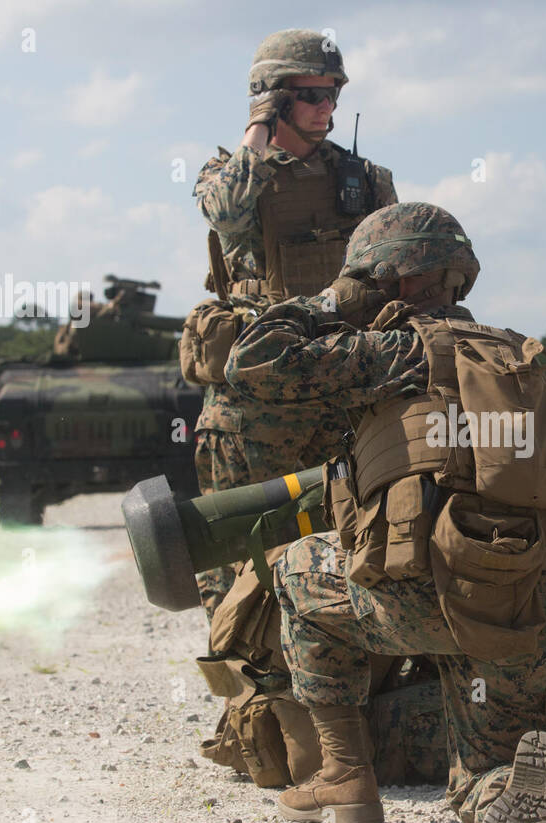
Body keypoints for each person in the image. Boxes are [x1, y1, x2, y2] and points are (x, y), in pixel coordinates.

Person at [224, 202, 546, 823]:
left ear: (386, 279)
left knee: (297, 569)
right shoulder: (519, 356)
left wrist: (332, 298)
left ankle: (346, 779)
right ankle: (500, 789)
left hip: (417, 598)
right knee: (502, 755)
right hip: (529, 605)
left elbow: (250, 362)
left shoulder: (384, 352)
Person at [191, 27, 397, 623]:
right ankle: (252, 700)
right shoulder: (232, 173)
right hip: (256, 397)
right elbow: (226, 214)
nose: (327, 107)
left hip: (341, 381)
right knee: (239, 543)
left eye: (333, 92)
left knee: (349, 531)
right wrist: (257, 128)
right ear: (273, 98)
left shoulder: (367, 181)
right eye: (310, 95)